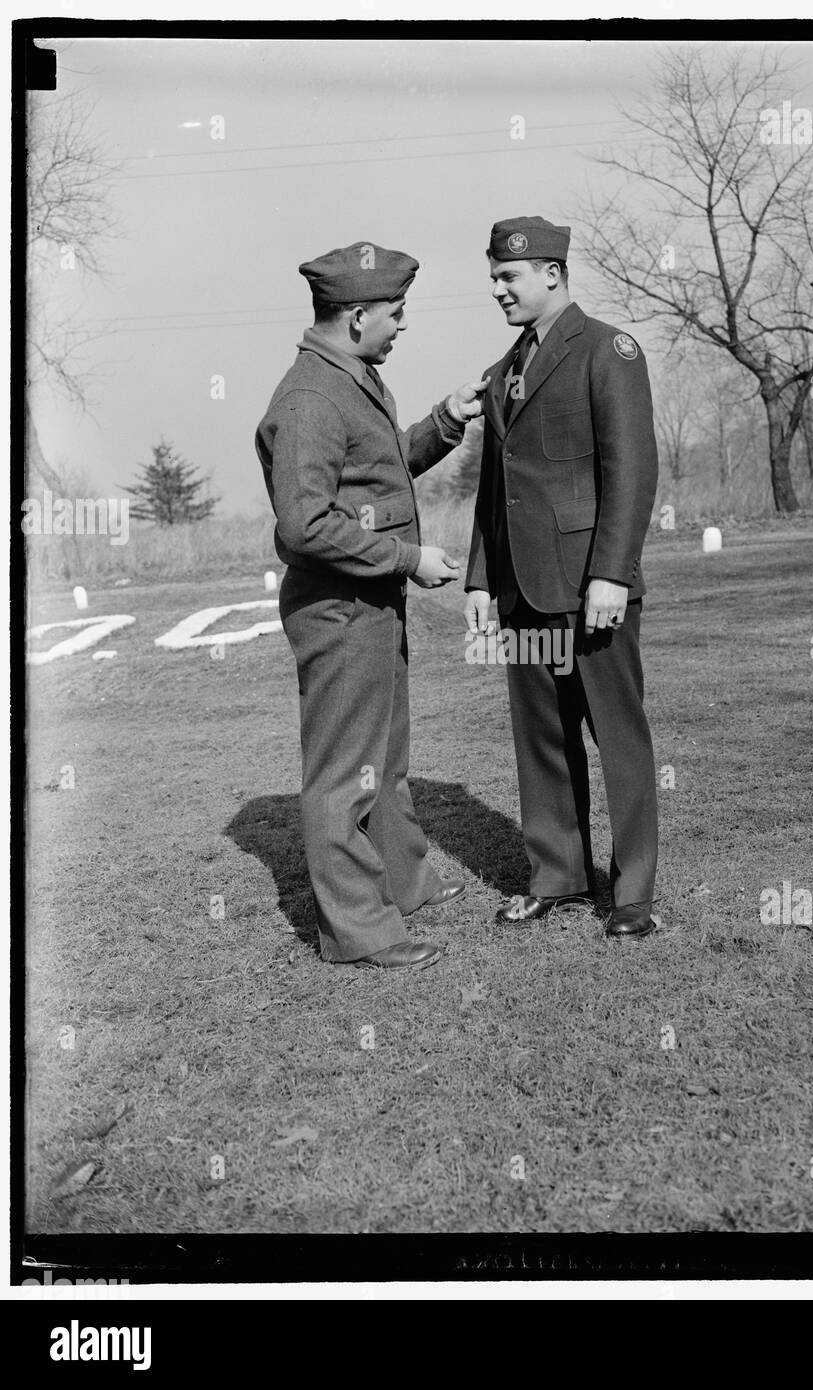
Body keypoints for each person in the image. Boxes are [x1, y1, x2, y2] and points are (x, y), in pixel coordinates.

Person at [256, 241, 486, 971]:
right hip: (338, 607)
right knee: (342, 773)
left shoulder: (349, 378)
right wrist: (407, 558)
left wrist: (444, 421)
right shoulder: (310, 398)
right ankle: (360, 933)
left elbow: (376, 476)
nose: (402, 326)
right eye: (396, 313)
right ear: (357, 317)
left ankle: (404, 885)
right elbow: (305, 523)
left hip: (369, 602)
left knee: (383, 761)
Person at [463, 216, 660, 939]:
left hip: (590, 591)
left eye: (507, 276)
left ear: (551, 272)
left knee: (618, 736)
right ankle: (559, 877)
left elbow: (632, 471)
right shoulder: (502, 372)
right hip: (521, 591)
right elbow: (496, 485)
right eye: (492, 276)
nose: (497, 290)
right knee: (541, 740)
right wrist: (482, 580)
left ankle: (632, 894)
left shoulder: (608, 350)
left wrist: (611, 572)